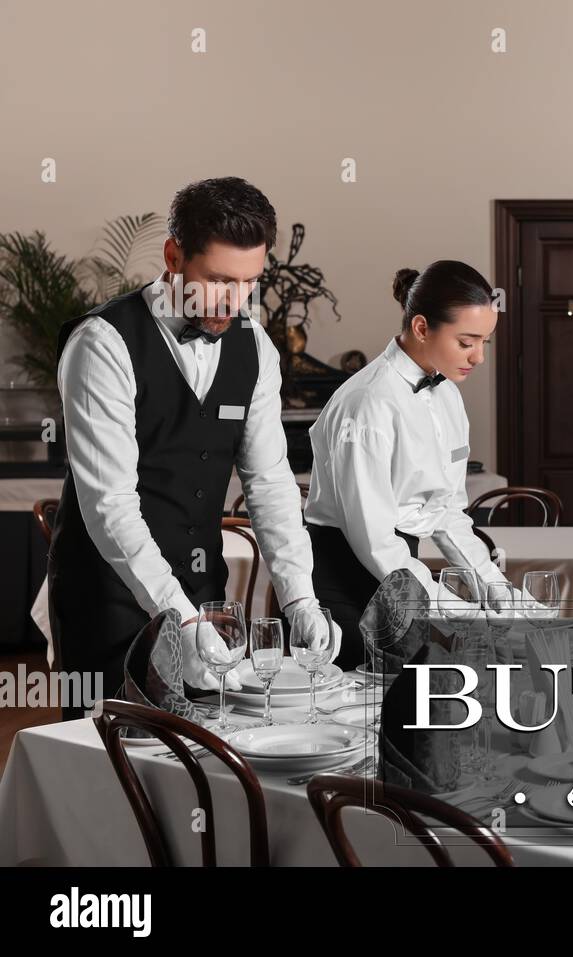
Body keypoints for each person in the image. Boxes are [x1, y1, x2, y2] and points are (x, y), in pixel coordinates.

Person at [49, 177, 338, 719]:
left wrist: (301, 597)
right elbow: (110, 505)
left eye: (250, 282)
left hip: (206, 593)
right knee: (107, 772)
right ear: (173, 256)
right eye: (219, 280)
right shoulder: (102, 344)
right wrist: (178, 618)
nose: (235, 300)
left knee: (209, 766)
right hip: (107, 600)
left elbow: (270, 483)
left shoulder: (255, 347)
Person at [304, 261, 522, 667]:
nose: (479, 357)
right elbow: (373, 540)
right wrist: (455, 608)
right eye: (467, 342)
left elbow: (447, 513)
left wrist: (495, 587)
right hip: (348, 581)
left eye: (485, 343)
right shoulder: (367, 403)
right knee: (354, 717)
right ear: (422, 328)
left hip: (403, 573)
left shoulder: (448, 397)